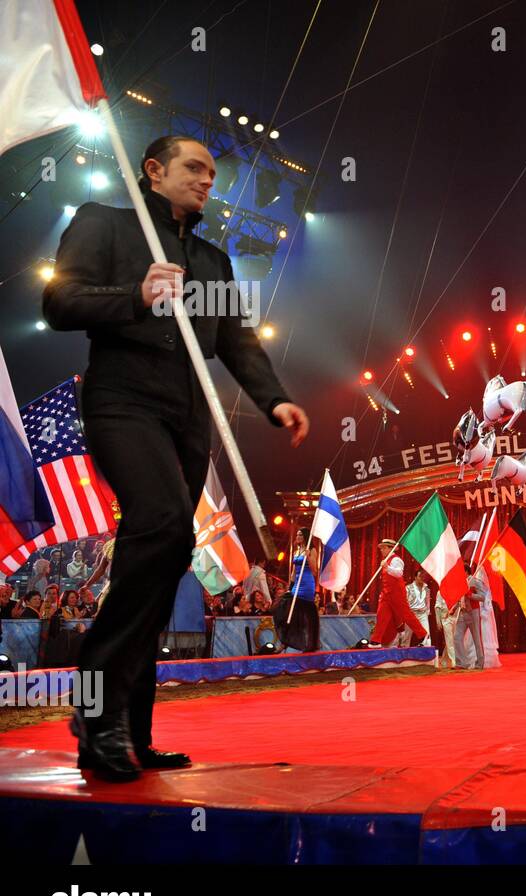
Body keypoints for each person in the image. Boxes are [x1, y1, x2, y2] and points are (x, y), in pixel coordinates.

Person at [45, 134, 309, 781]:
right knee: (161, 521)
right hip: (122, 404)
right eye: (194, 167)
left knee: (165, 559)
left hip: (188, 422)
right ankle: (94, 704)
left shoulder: (212, 261)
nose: (207, 180)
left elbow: (237, 343)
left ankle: (130, 731)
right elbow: (59, 303)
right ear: (154, 170)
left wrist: (274, 399)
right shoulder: (104, 224)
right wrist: (135, 294)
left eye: (213, 173)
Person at [370, 539, 427, 647]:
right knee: (381, 615)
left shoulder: (396, 560)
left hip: (397, 593)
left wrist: (387, 567)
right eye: (381, 548)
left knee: (406, 615)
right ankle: (376, 640)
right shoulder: (386, 560)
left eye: (384, 548)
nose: (381, 550)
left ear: (390, 548)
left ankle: (423, 635)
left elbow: (399, 573)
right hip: (387, 593)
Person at [275, 529, 321, 652]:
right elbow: (294, 571)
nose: (298, 536)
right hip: (296, 585)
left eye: (300, 534)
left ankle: (309, 644)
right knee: (287, 611)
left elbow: (315, 572)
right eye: (297, 534)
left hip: (307, 585)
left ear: (305, 537)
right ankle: (285, 641)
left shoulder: (312, 550)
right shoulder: (296, 551)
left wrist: (309, 557)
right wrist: (290, 587)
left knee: (306, 615)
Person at [452, 558, 490, 669]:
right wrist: (454, 608)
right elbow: (460, 598)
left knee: (476, 638)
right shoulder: (460, 583)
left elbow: (483, 597)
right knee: (457, 637)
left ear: (466, 572)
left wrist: (471, 595)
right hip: (462, 612)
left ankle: (480, 663)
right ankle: (462, 663)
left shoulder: (474, 581)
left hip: (473, 613)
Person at [404, 571, 432, 649]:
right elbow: (404, 601)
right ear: (415, 577)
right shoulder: (408, 588)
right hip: (411, 614)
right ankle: (404, 655)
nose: (422, 578)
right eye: (420, 576)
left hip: (422, 614)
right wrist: (407, 614)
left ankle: (427, 656)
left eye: (423, 577)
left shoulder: (426, 589)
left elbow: (428, 602)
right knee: (407, 636)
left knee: (426, 635)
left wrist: (427, 612)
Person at [433, 590, 455, 667]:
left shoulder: (456, 591)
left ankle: (444, 660)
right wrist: (438, 621)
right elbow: (437, 607)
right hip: (445, 618)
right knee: (450, 640)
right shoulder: (440, 592)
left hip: (455, 616)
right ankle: (454, 661)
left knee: (452, 640)